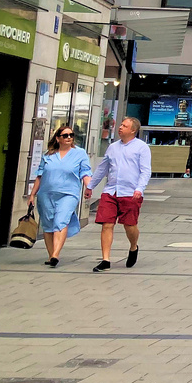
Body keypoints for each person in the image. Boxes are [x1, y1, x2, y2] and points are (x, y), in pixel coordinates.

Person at [89, 116, 152, 272]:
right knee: (107, 224)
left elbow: (145, 171)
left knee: (129, 225)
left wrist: (140, 188)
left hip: (130, 192)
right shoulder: (112, 147)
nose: (120, 127)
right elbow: (103, 168)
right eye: (121, 125)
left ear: (133, 130)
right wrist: (90, 186)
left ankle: (133, 246)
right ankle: (105, 259)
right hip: (111, 191)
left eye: (124, 125)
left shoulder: (141, 147)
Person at [28, 124, 91, 267]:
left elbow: (86, 172)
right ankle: (51, 256)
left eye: (71, 135)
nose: (69, 138)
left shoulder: (80, 153)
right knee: (48, 224)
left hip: (68, 194)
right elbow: (40, 176)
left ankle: (56, 254)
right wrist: (32, 195)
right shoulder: (48, 154)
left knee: (61, 221)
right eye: (65, 135)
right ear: (58, 138)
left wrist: (90, 186)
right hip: (46, 193)